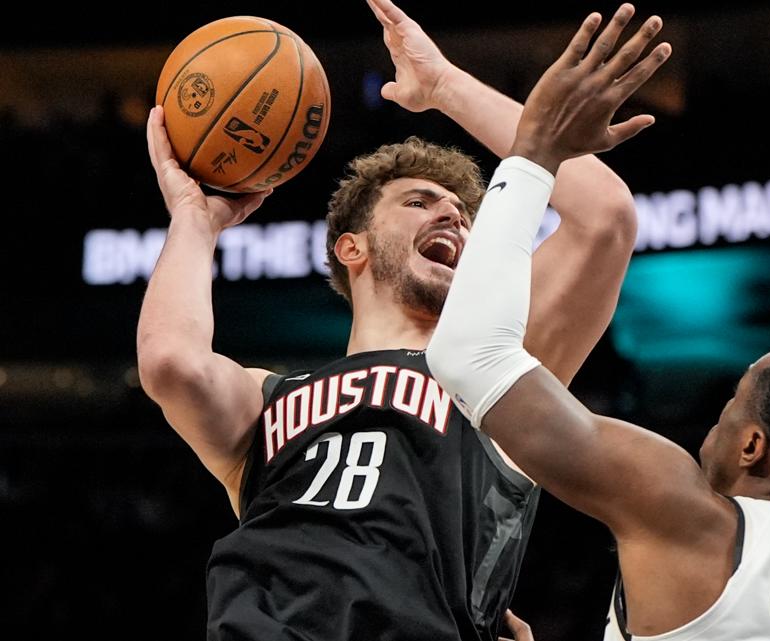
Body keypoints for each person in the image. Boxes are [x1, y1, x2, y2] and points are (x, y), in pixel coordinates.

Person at [137, 2, 666, 640]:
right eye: (419, 202)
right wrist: (195, 220)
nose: (453, 218)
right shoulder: (266, 400)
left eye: (465, 217)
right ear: (351, 247)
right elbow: (171, 362)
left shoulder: (496, 376)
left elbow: (604, 217)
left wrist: (443, 86)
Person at [426, 14, 770, 641]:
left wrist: (535, 151)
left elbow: (470, 354)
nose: (717, 415)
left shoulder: (692, 517)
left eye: (733, 400)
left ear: (752, 447)